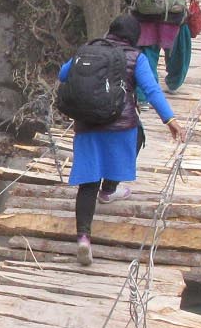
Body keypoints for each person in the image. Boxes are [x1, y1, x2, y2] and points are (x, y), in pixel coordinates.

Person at [58, 15, 182, 267]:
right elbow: (152, 90)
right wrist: (169, 120)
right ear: (134, 36)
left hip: (87, 124)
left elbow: (63, 74)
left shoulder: (90, 50)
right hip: (120, 125)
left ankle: (83, 237)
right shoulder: (137, 58)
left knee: (87, 182)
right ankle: (109, 189)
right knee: (138, 137)